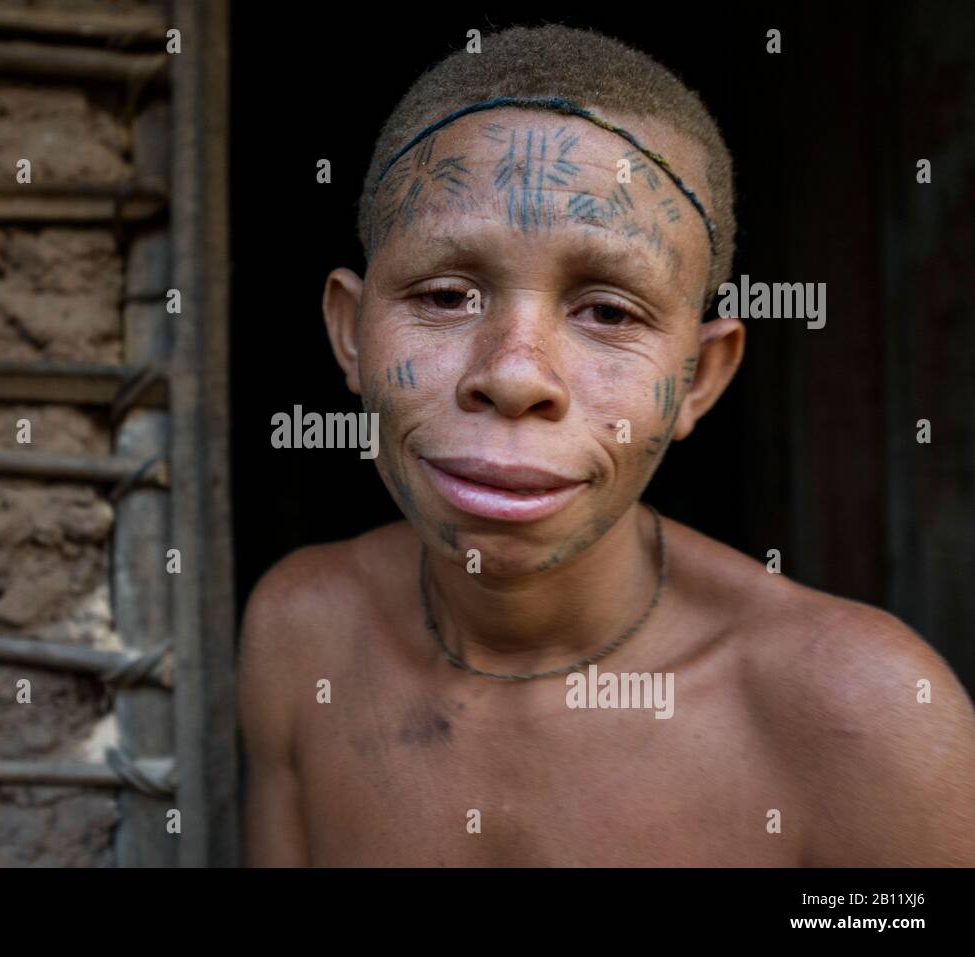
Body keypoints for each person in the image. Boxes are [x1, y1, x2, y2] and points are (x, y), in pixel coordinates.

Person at [238, 23, 975, 866]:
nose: (514, 376)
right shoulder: (302, 635)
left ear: (700, 376)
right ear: (349, 335)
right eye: (445, 295)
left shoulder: (864, 717)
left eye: (609, 312)